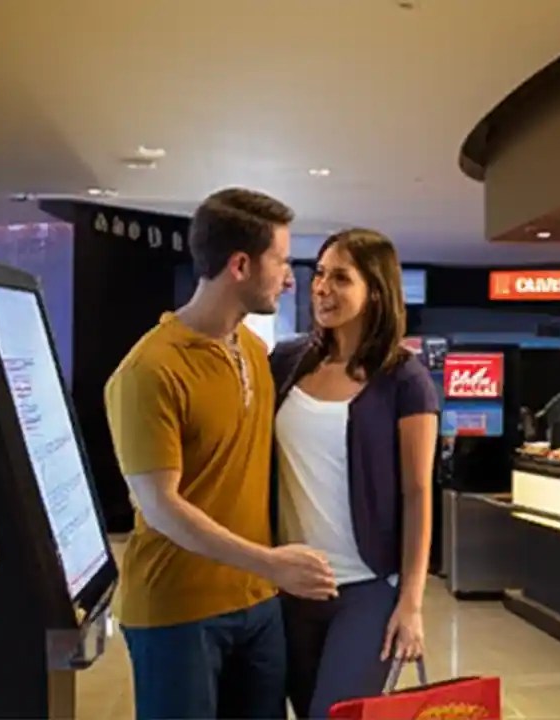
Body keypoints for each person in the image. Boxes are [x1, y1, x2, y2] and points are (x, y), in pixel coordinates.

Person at [104, 188, 338, 720]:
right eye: (280, 261)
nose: (289, 277)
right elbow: (161, 507)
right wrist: (271, 562)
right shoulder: (149, 371)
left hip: (257, 604)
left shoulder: (254, 350)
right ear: (240, 265)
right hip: (177, 610)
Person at [270, 228, 439, 718]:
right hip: (290, 587)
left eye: (341, 277)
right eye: (319, 274)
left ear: (376, 291)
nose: (322, 288)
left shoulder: (404, 379)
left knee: (335, 714)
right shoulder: (287, 362)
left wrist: (411, 602)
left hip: (367, 588)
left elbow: (417, 493)